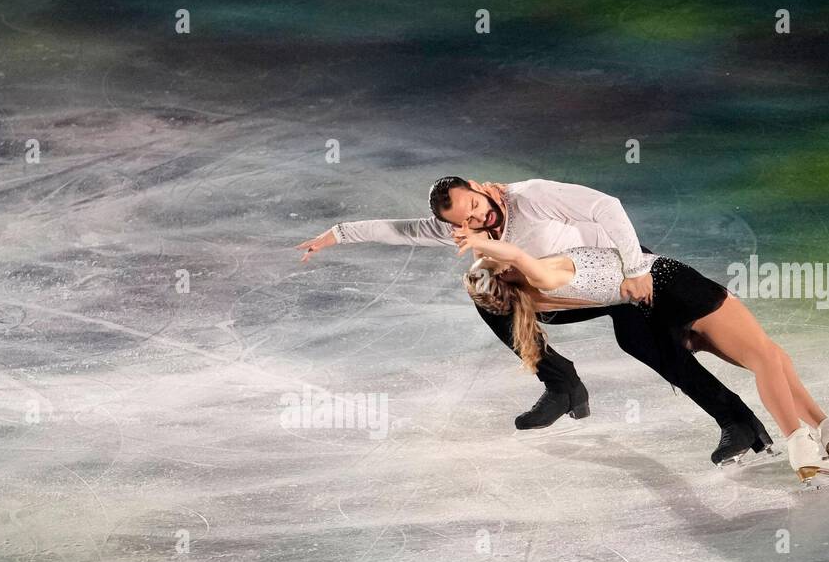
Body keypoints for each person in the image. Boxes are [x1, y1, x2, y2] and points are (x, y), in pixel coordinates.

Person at [297, 177, 773, 465]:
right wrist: (334, 235)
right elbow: (395, 230)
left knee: (653, 349)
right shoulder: (462, 231)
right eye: (467, 221)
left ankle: (739, 423)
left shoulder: (529, 197)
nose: (480, 220)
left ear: (482, 190)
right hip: (565, 291)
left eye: (478, 206)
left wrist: (633, 268)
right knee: (484, 288)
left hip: (614, 275)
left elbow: (608, 207)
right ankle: (561, 383)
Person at [456, 233, 829, 485]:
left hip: (650, 305)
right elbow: (511, 256)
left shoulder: (535, 300)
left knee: (770, 356)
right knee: (766, 356)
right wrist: (484, 246)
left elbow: (498, 270)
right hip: (670, 285)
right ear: (507, 270)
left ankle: (824, 429)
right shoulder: (540, 271)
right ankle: (802, 443)